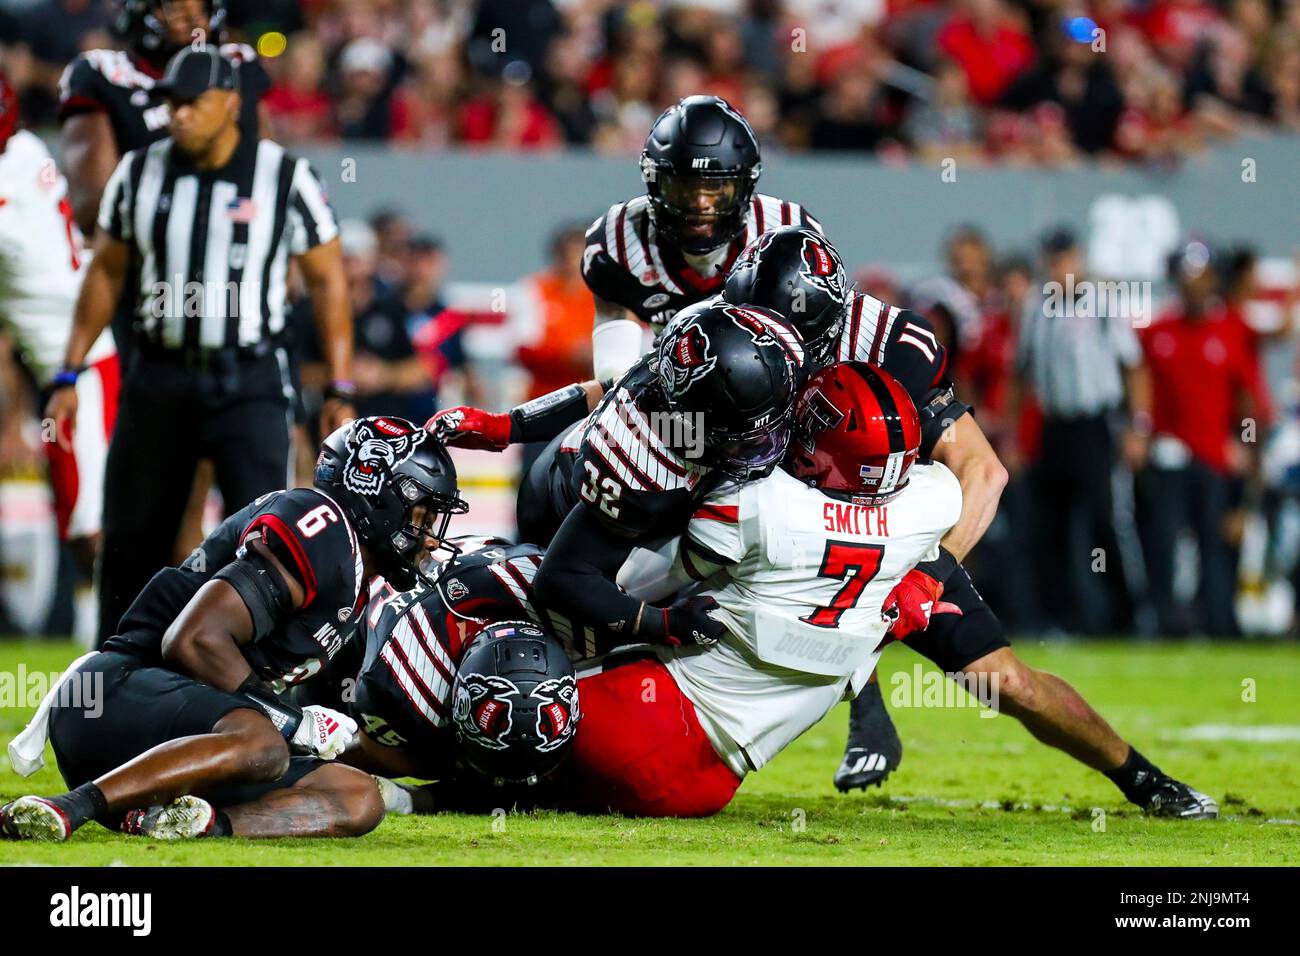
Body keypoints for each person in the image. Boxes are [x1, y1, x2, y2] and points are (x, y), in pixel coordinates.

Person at [0, 417, 467, 841]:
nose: (428, 534)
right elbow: (194, 640)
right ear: (378, 497)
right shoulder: (322, 527)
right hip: (112, 694)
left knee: (357, 796)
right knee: (263, 743)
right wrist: (289, 721)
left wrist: (455, 778)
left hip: (185, 737)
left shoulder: (357, 581)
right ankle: (68, 807)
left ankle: (197, 826)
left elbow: (335, 736)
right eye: (422, 513)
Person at [44, 46, 355, 649]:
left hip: (251, 380)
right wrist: (67, 371)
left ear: (232, 103)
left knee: (269, 536)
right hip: (158, 377)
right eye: (170, 104)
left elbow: (327, 279)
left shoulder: (283, 175)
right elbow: (106, 272)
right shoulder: (140, 172)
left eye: (192, 104)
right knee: (133, 535)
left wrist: (340, 386)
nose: (177, 116)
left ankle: (262, 686)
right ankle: (115, 676)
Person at [583, 94, 821, 382]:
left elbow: (819, 345)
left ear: (746, 185)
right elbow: (615, 377)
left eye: (716, 189)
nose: (701, 205)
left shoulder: (786, 233)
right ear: (654, 184)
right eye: (684, 189)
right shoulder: (620, 239)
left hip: (778, 388)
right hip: (671, 388)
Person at [0, 73, 116, 645]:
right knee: (79, 521)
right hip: (60, 362)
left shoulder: (10, 180)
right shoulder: (24, 149)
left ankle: (105, 652)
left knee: (88, 526)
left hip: (80, 367)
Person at [1011, 226, 1151, 635]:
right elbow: (1019, 375)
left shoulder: (1102, 304)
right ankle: (1063, 618)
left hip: (1096, 424)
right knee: (1050, 524)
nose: (1058, 269)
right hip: (1056, 426)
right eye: (1052, 261)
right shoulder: (1036, 308)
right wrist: (1016, 436)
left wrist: (1138, 427)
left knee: (1107, 520)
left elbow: (1134, 368)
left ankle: (1125, 615)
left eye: (1064, 260)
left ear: (1078, 259)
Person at [1137, 241, 1272, 636]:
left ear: (1213, 279)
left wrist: (1247, 448)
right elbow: (1142, 386)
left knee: (1217, 545)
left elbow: (1251, 399)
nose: (1193, 286)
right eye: (1186, 278)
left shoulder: (1232, 329)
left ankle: (1219, 625)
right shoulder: (1159, 332)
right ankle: (1164, 625)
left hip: (1216, 459)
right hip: (1169, 456)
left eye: (1200, 277)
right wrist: (1142, 432)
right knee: (1162, 542)